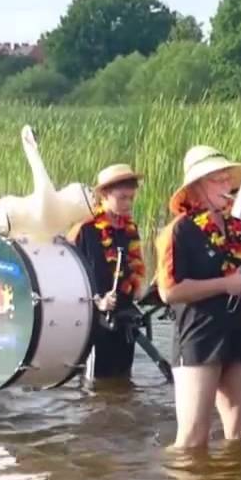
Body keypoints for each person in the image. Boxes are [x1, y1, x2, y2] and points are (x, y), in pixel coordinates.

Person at [156, 145, 241, 449]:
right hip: (198, 337)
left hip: (237, 333)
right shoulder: (178, 231)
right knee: (193, 440)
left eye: (227, 179)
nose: (226, 186)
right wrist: (225, 284)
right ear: (195, 188)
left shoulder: (239, 227)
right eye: (217, 180)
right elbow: (169, 292)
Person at [68, 163, 145, 381]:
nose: (128, 204)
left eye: (131, 198)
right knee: (94, 384)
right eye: (122, 198)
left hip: (123, 317)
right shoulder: (84, 230)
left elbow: (134, 267)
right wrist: (97, 301)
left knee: (122, 381)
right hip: (94, 319)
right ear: (104, 194)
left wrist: (138, 287)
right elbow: (68, 281)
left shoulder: (130, 229)